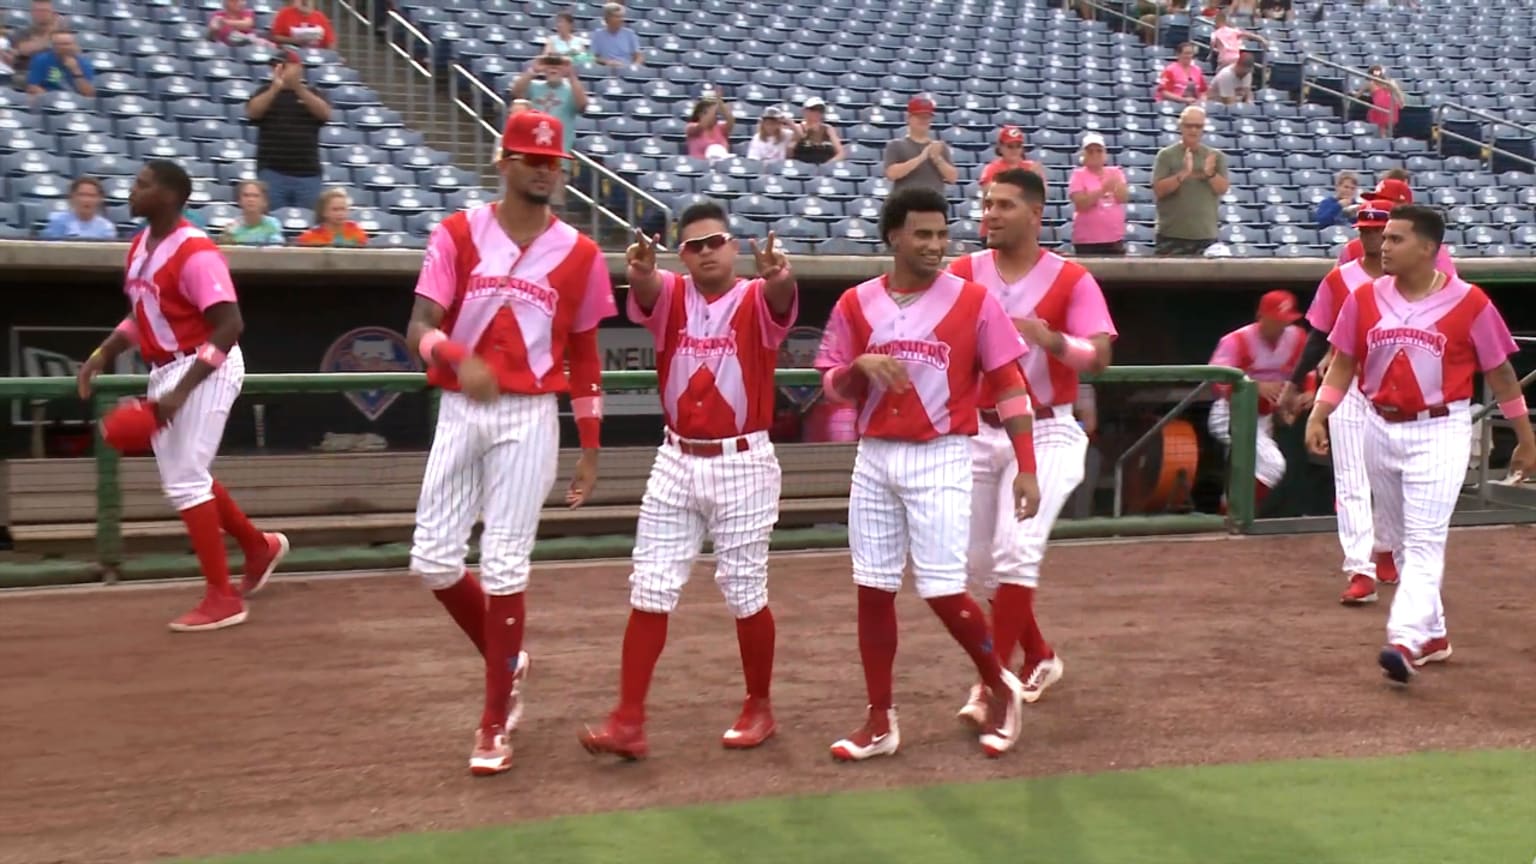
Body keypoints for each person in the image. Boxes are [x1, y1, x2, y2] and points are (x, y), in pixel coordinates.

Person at [405, 111, 616, 776]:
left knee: (503, 567)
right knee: (432, 559)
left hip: (529, 413)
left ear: (563, 168)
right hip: (463, 407)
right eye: (529, 157)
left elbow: (584, 352)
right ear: (504, 161)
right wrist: (454, 354)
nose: (541, 169)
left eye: (550, 160)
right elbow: (418, 325)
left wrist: (590, 442)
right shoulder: (459, 231)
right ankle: (510, 658)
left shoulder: (579, 253)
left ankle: (495, 719)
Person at [813, 186, 1040, 762]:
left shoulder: (973, 301)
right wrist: (857, 367)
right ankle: (879, 721)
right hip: (874, 456)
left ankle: (999, 682)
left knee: (941, 588)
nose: (936, 245)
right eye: (923, 234)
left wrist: (1027, 466)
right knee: (873, 588)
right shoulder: (855, 303)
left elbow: (1010, 385)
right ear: (893, 236)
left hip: (941, 451)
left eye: (942, 234)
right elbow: (830, 388)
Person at [578, 203, 798, 760]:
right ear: (683, 253)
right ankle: (628, 719)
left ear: (733, 245)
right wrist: (640, 271)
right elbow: (648, 288)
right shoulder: (672, 292)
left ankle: (759, 705)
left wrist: (779, 275)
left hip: (742, 458)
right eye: (695, 245)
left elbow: (779, 298)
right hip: (677, 455)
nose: (706, 251)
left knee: (745, 589)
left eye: (715, 241)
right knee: (649, 585)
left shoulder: (754, 294)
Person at [1305, 204, 1533, 684]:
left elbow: (1502, 372)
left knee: (1426, 541)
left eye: (1395, 239)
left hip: (1441, 426)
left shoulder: (1469, 302)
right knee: (1405, 542)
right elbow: (1343, 363)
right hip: (1378, 424)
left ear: (1428, 249)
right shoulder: (1363, 298)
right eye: (1383, 239)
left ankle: (1404, 639)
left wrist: (1525, 436)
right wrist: (1320, 412)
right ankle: (1433, 636)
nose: (1382, 247)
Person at [75, 160, 290, 631]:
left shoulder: (195, 251)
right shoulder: (139, 247)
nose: (132, 190)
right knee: (184, 474)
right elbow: (143, 316)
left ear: (170, 196)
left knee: (185, 480)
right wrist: (101, 353)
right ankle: (259, 547)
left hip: (205, 367)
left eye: (143, 184)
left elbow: (230, 326)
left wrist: (179, 394)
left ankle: (222, 597)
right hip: (166, 368)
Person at [946, 168, 1116, 719]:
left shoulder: (1071, 279)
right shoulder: (964, 272)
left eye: (1003, 205)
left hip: (1047, 426)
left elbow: (1100, 357)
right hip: (980, 427)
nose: (990, 213)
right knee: (976, 566)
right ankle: (1038, 654)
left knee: (1016, 550)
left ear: (1036, 215)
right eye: (986, 203)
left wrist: (1053, 340)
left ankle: (990, 681)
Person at [1278, 201, 1399, 604]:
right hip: (1347, 387)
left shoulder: (1414, 279)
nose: (1369, 237)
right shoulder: (1340, 279)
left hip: (1397, 391)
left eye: (1376, 230)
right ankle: (1360, 570)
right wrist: (1296, 382)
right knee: (1351, 480)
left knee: (1390, 479)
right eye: (1364, 230)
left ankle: (1385, 545)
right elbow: (1318, 335)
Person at [1208, 290, 1309, 511]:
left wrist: (1304, 393)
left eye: (1287, 320)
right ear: (1261, 317)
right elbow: (1217, 380)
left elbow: (1308, 370)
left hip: (1264, 417)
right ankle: (1240, 514)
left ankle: (1228, 522)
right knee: (1273, 465)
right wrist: (1253, 386)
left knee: (1241, 472)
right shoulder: (1236, 340)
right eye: (1277, 320)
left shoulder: (1297, 337)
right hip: (1231, 412)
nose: (1282, 326)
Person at [245, 51, 330, 211]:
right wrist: (275, 88)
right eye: (275, 66)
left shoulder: (314, 93)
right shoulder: (264, 92)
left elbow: (324, 113)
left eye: (284, 66)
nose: (279, 70)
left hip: (308, 173)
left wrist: (298, 87)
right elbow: (253, 112)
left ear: (299, 68)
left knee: (308, 224)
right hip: (272, 171)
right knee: (272, 223)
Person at [1336, 177, 1458, 277]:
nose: (1376, 206)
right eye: (1374, 201)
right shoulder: (1352, 248)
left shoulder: (1429, 248)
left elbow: (1449, 290)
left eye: (1385, 202)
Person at [1152, 105, 1228, 256]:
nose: (1193, 130)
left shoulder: (1215, 156)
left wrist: (1210, 174)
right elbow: (1159, 190)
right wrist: (1183, 173)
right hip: (1171, 235)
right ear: (1180, 126)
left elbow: (1222, 189)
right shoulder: (1166, 155)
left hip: (1205, 236)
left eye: (1198, 126)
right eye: (1189, 126)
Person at [1067, 132, 1129, 255]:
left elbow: (1123, 198)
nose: (1095, 154)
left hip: (1114, 238)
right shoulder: (1078, 175)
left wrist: (1116, 187)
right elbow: (1081, 204)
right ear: (1084, 155)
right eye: (1090, 151)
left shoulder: (1116, 172)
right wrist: (1103, 190)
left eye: (1099, 151)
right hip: (1087, 241)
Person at [882, 95, 957, 196]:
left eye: (927, 117)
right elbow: (891, 174)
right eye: (919, 116)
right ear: (909, 118)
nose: (924, 120)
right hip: (905, 205)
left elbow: (952, 178)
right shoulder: (896, 145)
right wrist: (921, 157)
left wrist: (937, 158)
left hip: (933, 205)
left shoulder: (939, 147)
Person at [40, 176, 116, 240]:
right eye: (82, 195)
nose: (86, 200)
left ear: (99, 199)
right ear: (72, 197)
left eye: (92, 196)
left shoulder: (106, 227)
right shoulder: (58, 221)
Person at [25, 29, 94, 96]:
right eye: (59, 44)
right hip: (48, 100)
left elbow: (88, 94)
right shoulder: (41, 59)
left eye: (67, 44)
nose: (64, 47)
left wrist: (76, 71)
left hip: (76, 102)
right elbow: (32, 87)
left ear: (74, 45)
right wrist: (48, 98)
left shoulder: (84, 62)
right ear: (53, 46)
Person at [220, 180, 285, 246]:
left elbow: (276, 251)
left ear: (264, 201)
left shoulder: (272, 224)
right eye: (246, 195)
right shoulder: (233, 227)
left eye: (256, 196)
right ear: (239, 201)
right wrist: (227, 237)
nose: (251, 199)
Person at [296, 187, 368, 246]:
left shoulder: (356, 231)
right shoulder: (309, 237)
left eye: (343, 209)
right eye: (335, 210)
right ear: (324, 212)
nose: (340, 213)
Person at [790, 97, 844, 165]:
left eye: (820, 110)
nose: (817, 112)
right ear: (805, 111)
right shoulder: (798, 128)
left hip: (825, 168)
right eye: (813, 109)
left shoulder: (828, 129)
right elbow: (789, 153)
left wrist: (827, 166)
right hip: (803, 168)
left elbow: (841, 153)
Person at [685, 94, 733, 160]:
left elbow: (730, 120)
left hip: (721, 166)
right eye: (715, 113)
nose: (717, 116)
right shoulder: (692, 127)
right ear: (701, 114)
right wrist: (713, 108)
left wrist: (720, 104)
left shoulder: (720, 128)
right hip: (701, 166)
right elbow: (703, 124)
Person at [270, 0, 335, 49]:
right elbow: (275, 37)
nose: (305, 2)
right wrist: (293, 40)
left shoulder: (320, 17)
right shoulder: (285, 13)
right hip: (292, 54)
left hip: (315, 54)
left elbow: (330, 42)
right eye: (302, 0)